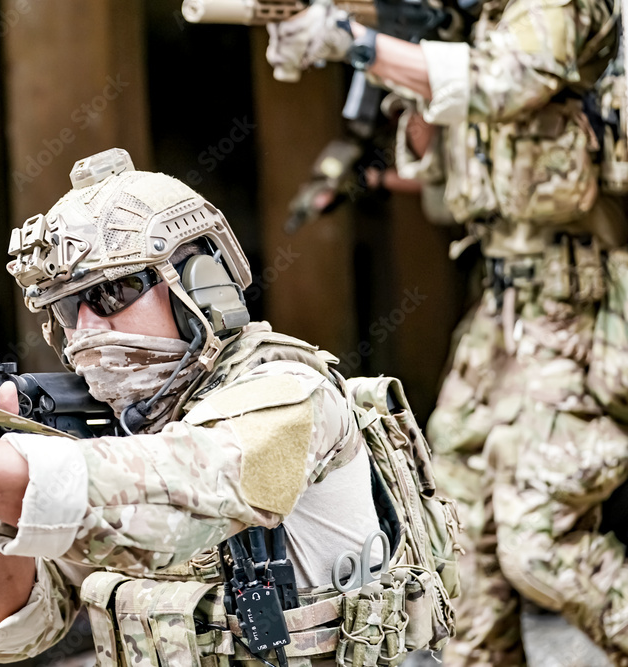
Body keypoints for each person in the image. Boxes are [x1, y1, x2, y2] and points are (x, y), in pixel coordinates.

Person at [0, 148, 443, 665]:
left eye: (111, 294)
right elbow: (15, 627)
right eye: (63, 308)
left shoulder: (288, 395)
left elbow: (180, 490)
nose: (86, 328)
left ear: (200, 278)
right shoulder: (123, 426)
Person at [264, 2, 628, 664]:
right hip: (506, 303)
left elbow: (500, 84)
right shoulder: (475, 23)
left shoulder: (547, 11)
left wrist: (352, 40)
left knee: (541, 543)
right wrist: (406, 56)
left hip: (590, 301)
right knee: (450, 531)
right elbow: (437, 161)